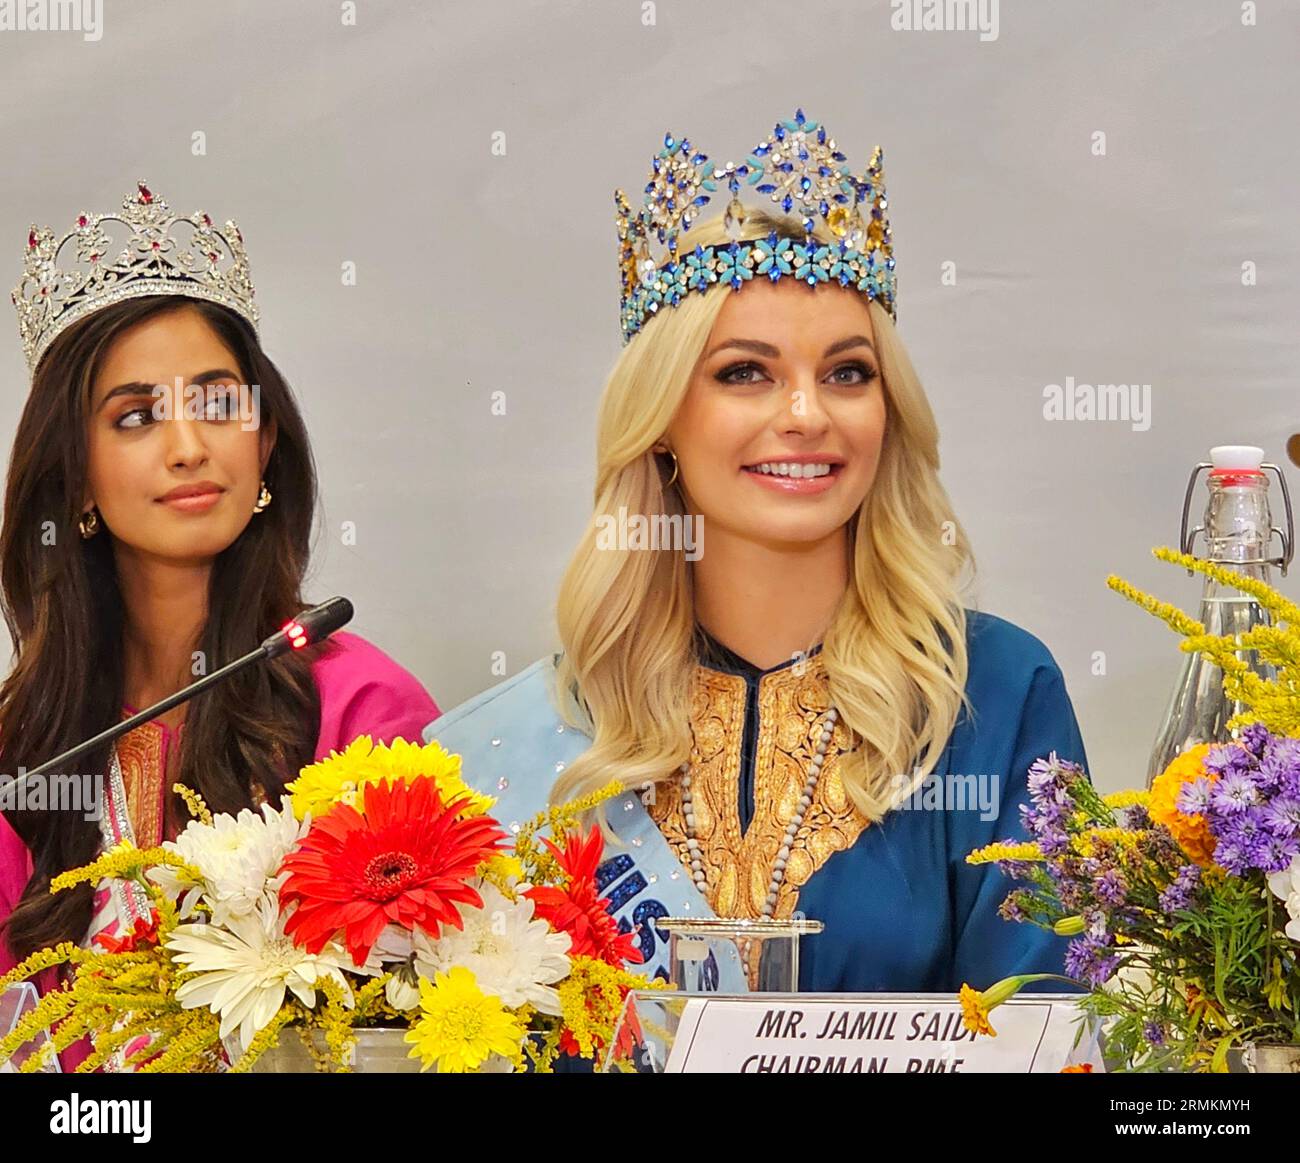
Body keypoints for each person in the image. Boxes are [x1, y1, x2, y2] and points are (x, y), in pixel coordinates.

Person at [428, 111, 1090, 995]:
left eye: (848, 373)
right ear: (661, 419)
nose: (808, 414)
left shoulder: (993, 694)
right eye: (747, 372)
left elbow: (1048, 1029)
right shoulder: (553, 727)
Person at [0, 182, 440, 1067]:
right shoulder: (24, 739)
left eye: (216, 403)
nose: (189, 446)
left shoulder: (362, 708)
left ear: (265, 439)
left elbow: (404, 1023)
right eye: (136, 417)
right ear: (75, 478)